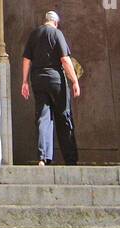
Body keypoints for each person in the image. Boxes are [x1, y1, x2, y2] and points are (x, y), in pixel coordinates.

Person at [21, 9, 80, 166]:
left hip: (38, 79)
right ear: (56, 22)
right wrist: (74, 81)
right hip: (56, 80)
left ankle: (43, 157)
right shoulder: (56, 34)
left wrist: (24, 82)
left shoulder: (34, 34)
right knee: (63, 115)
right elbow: (65, 60)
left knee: (43, 117)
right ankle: (70, 158)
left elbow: (26, 60)